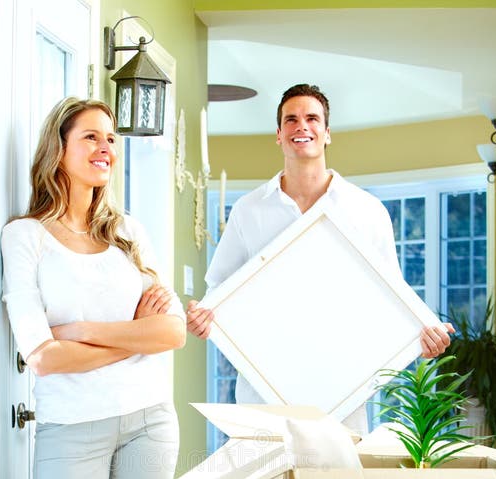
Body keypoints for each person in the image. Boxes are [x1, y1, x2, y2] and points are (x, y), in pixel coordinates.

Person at [187, 83, 453, 430]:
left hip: (342, 399)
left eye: (312, 118)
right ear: (279, 135)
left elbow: (390, 302)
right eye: (291, 120)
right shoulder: (248, 210)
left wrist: (419, 339)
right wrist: (203, 318)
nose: (302, 127)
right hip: (261, 396)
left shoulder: (367, 211)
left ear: (327, 133)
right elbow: (218, 294)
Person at [1, 97, 186, 479]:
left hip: (149, 421)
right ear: (59, 150)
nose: (106, 148)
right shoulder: (25, 237)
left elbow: (173, 332)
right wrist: (137, 336)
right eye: (90, 137)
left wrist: (82, 331)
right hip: (71, 428)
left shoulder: (127, 231)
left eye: (111, 139)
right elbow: (46, 359)